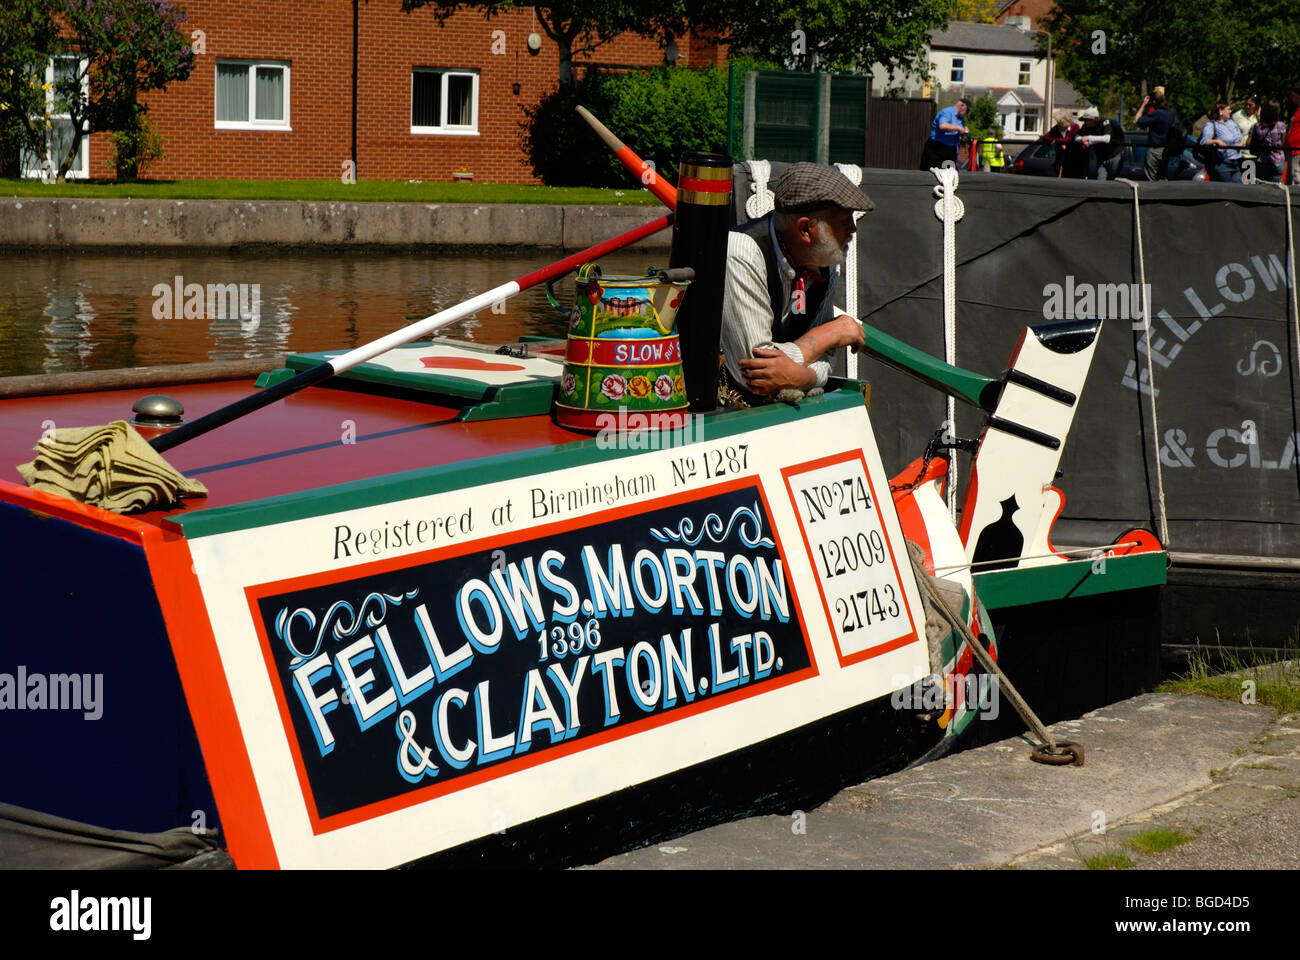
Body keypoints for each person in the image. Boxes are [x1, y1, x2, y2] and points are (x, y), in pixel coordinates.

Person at [721, 163, 871, 399]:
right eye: (843, 221)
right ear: (805, 229)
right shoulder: (742, 252)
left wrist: (804, 377)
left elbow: (824, 361)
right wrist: (828, 335)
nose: (853, 229)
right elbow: (752, 372)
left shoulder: (825, 266)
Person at [920, 98, 971, 170]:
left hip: (950, 149)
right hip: (937, 148)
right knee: (932, 173)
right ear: (962, 105)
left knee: (950, 173)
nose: (967, 113)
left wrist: (964, 132)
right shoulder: (947, 112)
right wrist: (959, 128)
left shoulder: (961, 119)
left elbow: (958, 132)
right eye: (967, 110)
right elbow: (943, 126)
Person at [1135, 90, 1175, 180]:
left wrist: (1144, 104)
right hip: (1166, 150)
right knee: (1162, 177)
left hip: (1155, 150)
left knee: (1151, 179)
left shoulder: (1157, 114)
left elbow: (1137, 121)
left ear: (1153, 102)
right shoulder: (1170, 113)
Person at [1200, 101, 1243, 182]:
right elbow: (1204, 141)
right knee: (1226, 189)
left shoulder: (1231, 122)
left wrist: (1240, 143)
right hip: (1222, 162)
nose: (1230, 111)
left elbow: (1240, 136)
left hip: (1236, 161)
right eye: (1228, 109)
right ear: (1220, 111)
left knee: (1239, 187)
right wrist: (1216, 141)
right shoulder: (1212, 125)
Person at [1076, 108, 1124, 180]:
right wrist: (1082, 140)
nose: (1085, 122)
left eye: (1087, 120)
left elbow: (1107, 138)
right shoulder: (1086, 127)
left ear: (1093, 119)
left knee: (1114, 180)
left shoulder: (1105, 123)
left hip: (1114, 156)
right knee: (1100, 180)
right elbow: (1076, 137)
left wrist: (1089, 138)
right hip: (1101, 159)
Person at [1251, 101, 1287, 182]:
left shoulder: (1257, 126)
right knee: (1276, 185)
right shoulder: (1280, 125)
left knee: (1262, 184)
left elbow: (1254, 142)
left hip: (1263, 159)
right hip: (1278, 159)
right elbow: (1283, 142)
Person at [1044, 111, 1077, 176]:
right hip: (1060, 158)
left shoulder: (1075, 127)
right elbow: (1046, 137)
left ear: (1067, 123)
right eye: (1058, 123)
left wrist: (1057, 141)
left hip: (1073, 158)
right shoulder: (1056, 128)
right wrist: (1057, 142)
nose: (1058, 125)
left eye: (1060, 124)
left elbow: (1068, 139)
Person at [1233, 95, 1259, 164]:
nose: (1247, 107)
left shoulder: (1260, 117)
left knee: (1252, 175)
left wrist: (1259, 117)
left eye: (1250, 105)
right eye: (1246, 104)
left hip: (1254, 154)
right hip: (1240, 153)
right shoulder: (1237, 115)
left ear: (1256, 106)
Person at [1288, 84, 1300, 185]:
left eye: (1293, 96)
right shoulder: (1297, 109)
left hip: (1298, 151)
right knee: (1291, 180)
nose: (1291, 99)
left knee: (1296, 180)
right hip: (1293, 150)